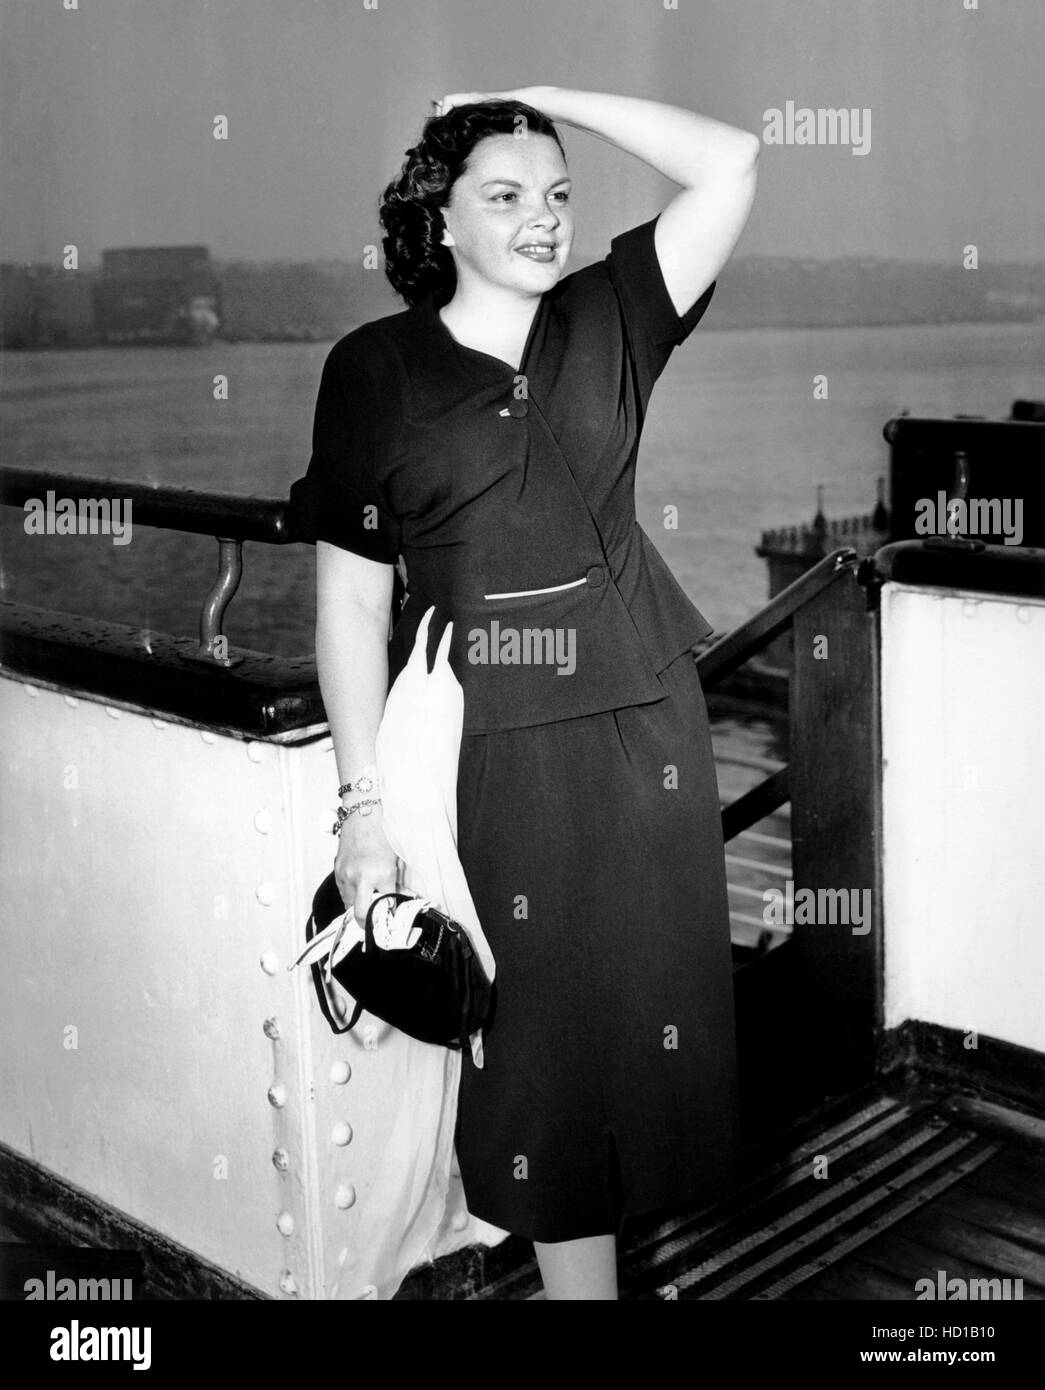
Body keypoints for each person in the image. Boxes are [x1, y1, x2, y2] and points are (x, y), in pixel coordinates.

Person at [288, 85, 759, 1300]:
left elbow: (730, 160)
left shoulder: (614, 315)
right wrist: (362, 805)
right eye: (503, 196)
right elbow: (351, 602)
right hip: (487, 749)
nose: (542, 218)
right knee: (538, 1073)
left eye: (556, 195)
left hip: (642, 734)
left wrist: (542, 97)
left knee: (632, 1068)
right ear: (437, 220)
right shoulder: (374, 369)